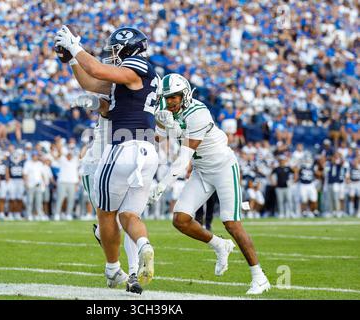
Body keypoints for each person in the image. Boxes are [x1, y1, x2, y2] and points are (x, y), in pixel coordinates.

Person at [54, 25, 159, 289]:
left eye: (116, 50)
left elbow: (97, 71)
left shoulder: (139, 65)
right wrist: (72, 60)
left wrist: (76, 46)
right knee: (129, 215)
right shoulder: (128, 80)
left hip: (123, 146)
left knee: (105, 214)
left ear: (130, 48)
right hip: (148, 153)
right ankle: (144, 246)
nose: (113, 55)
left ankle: (113, 269)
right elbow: (92, 82)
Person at [149, 73, 270, 295]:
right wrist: (155, 125)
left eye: (174, 97)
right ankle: (219, 245)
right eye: (166, 98)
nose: (170, 102)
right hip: (202, 171)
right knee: (181, 219)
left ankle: (259, 276)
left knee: (231, 223)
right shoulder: (167, 111)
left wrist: (160, 186)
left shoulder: (199, 113)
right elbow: (155, 138)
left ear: (184, 94)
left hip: (223, 168)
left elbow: (183, 158)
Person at [74, 94, 143, 294]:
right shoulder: (117, 101)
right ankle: (110, 258)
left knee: (129, 218)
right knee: (112, 221)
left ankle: (132, 275)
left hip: (119, 168)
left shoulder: (135, 110)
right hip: (95, 168)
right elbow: (103, 105)